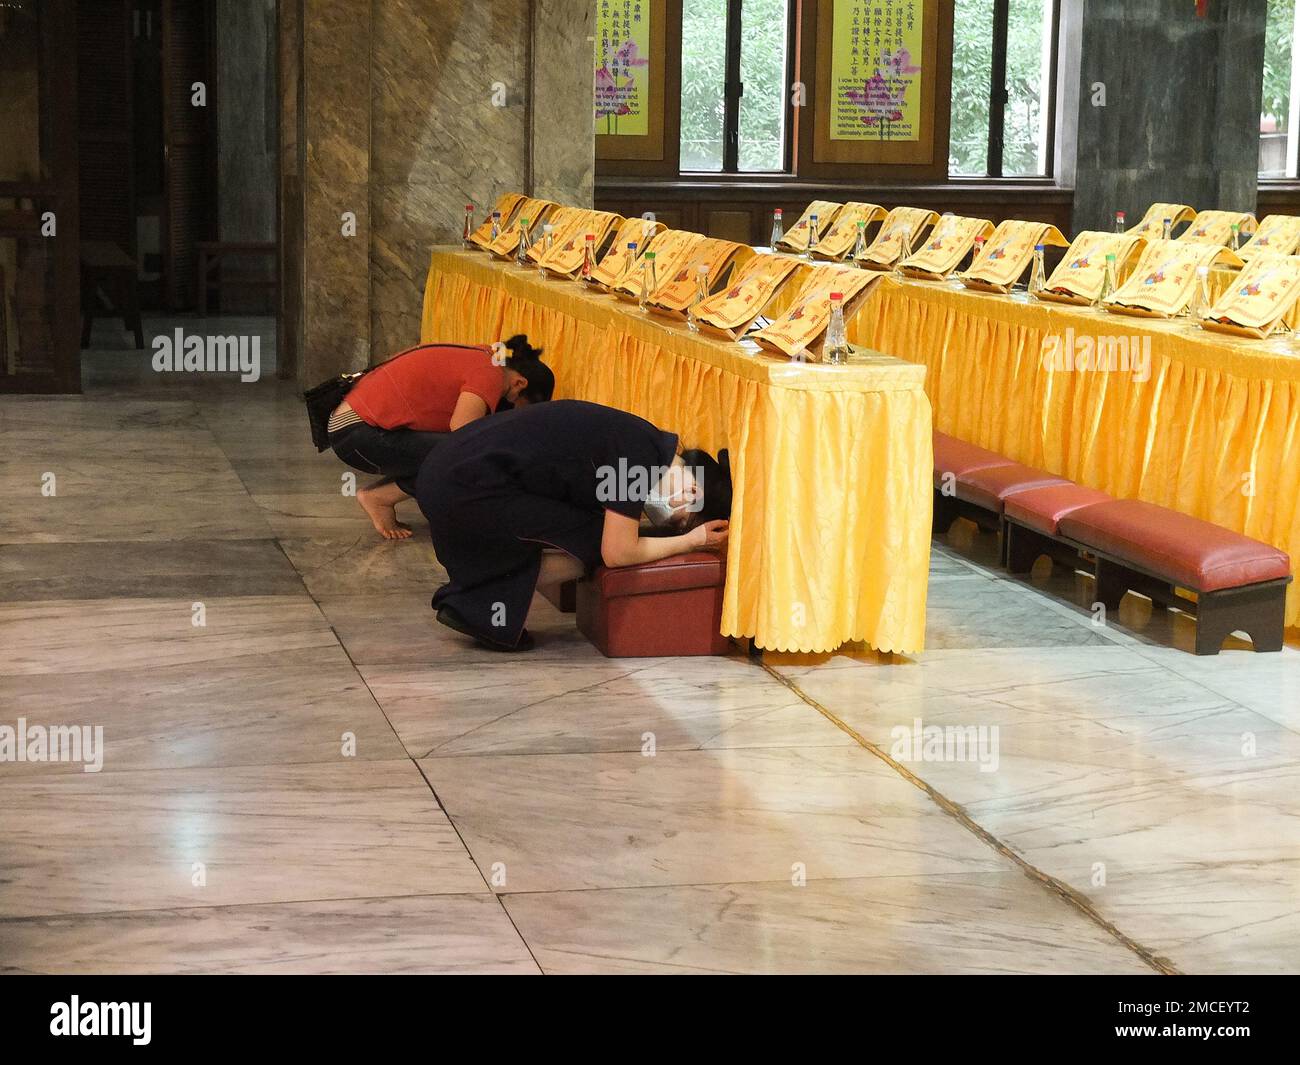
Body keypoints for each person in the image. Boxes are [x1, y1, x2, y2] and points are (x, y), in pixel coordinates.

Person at [415, 399, 732, 651]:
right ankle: (475, 607)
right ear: (691, 493)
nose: (661, 516)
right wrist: (691, 541)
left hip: (445, 470)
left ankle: (476, 604)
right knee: (595, 542)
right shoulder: (637, 461)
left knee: (588, 528)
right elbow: (618, 553)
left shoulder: (643, 440)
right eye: (679, 520)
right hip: (463, 487)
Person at [328, 336, 555, 539]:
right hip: (357, 433)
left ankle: (381, 495)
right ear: (520, 383)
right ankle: (379, 496)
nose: (512, 408)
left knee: (464, 453)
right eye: (519, 404)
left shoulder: (484, 357)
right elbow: (463, 431)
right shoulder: (490, 373)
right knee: (465, 456)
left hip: (352, 427)